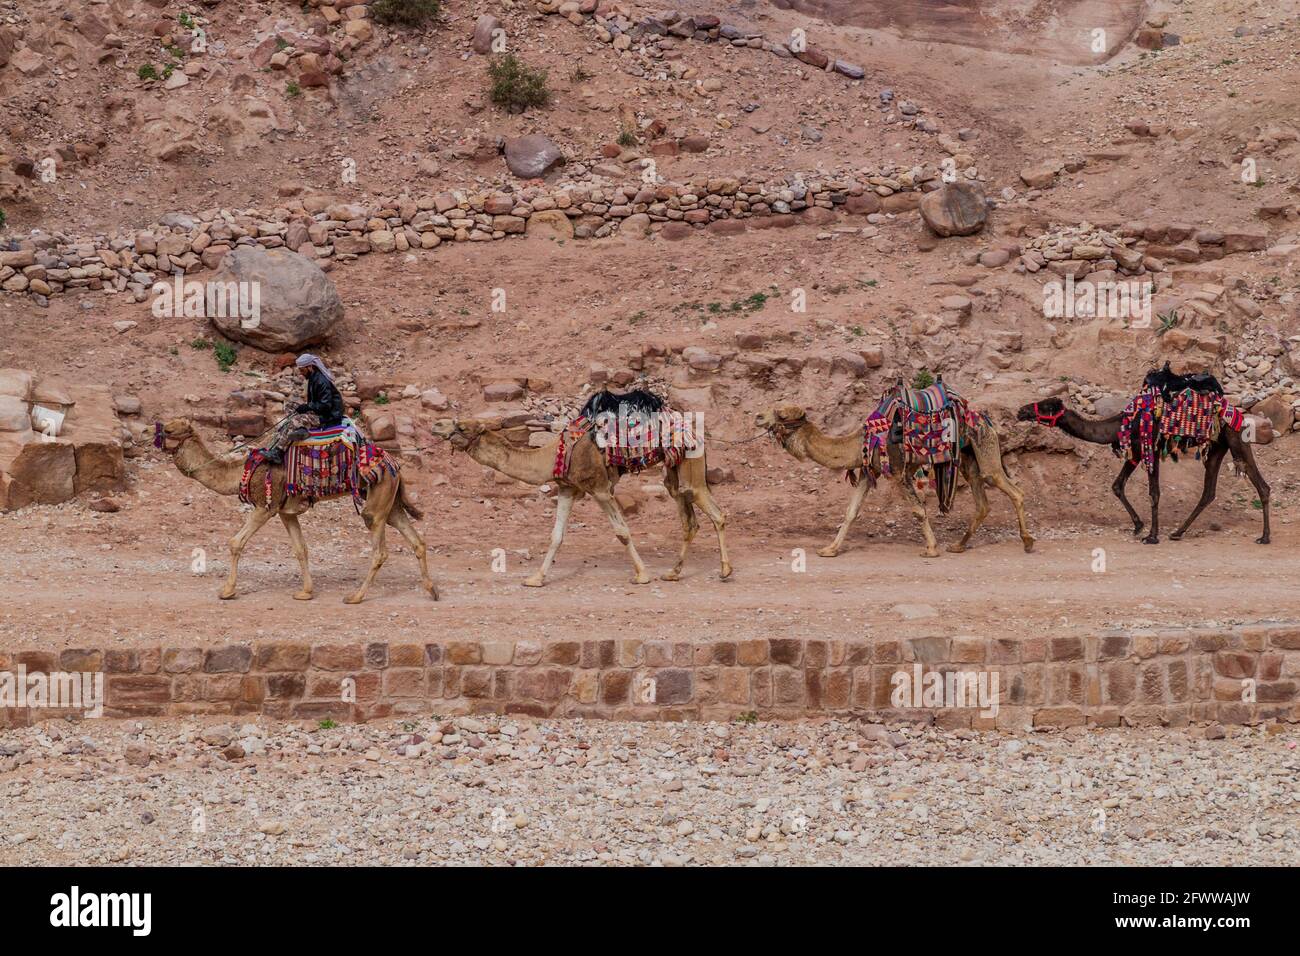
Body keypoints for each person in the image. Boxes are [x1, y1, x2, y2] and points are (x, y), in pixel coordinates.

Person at [260, 353, 345, 464]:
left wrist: (308, 407)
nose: (301, 373)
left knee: (295, 420)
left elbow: (326, 405)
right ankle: (303, 429)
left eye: (302, 370)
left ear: (310, 367)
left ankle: (278, 453)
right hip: (320, 411)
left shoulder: (321, 381)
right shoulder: (313, 377)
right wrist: (306, 407)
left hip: (328, 417)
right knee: (290, 406)